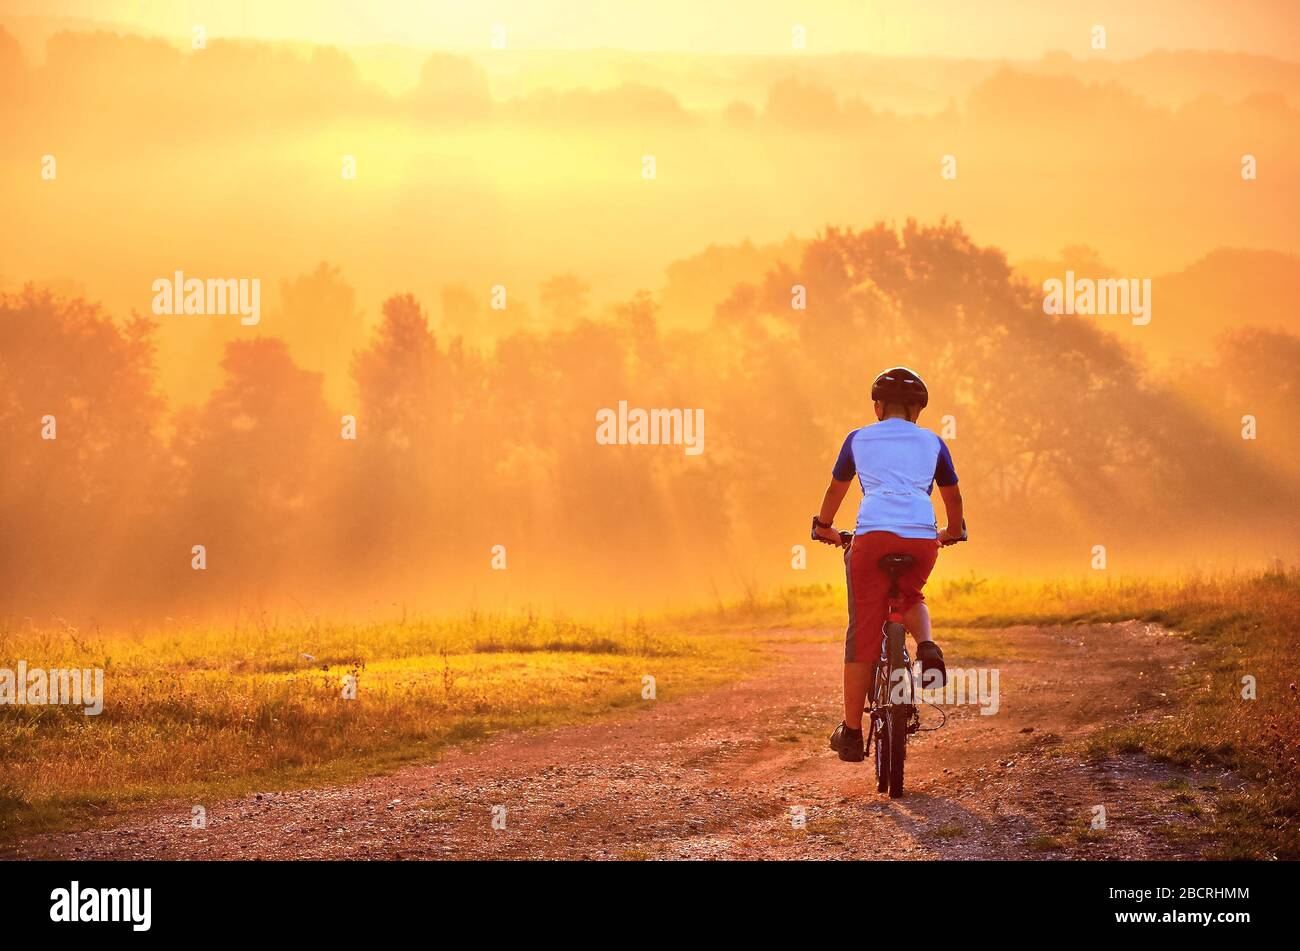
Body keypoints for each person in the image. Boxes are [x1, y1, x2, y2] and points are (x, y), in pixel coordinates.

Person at [810, 366, 964, 763]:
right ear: (917, 411)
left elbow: (835, 489)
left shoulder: (858, 438)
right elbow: (954, 500)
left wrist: (823, 526)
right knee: (911, 594)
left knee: (862, 631)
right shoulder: (933, 442)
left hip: (873, 536)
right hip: (920, 535)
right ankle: (927, 646)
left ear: (878, 407)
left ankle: (851, 733)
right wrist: (951, 531)